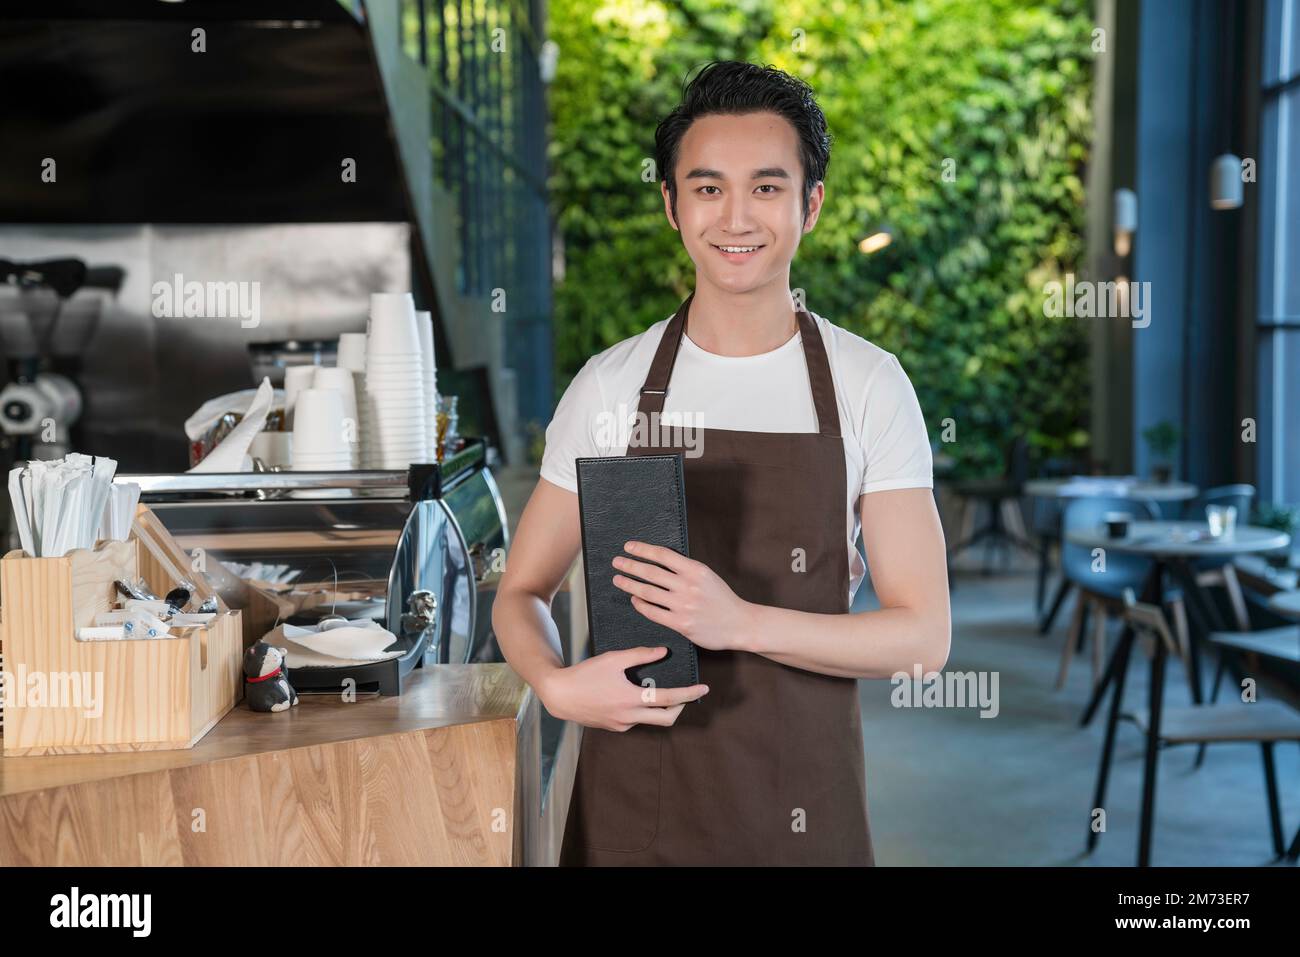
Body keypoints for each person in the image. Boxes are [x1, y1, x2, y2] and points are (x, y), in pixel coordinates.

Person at [493, 60, 951, 866]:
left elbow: (923, 638)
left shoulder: (867, 384)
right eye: (708, 188)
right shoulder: (611, 385)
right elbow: (521, 591)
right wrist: (557, 684)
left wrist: (740, 622)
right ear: (672, 205)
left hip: (803, 796)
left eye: (767, 188)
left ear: (810, 204)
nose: (736, 216)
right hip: (638, 802)